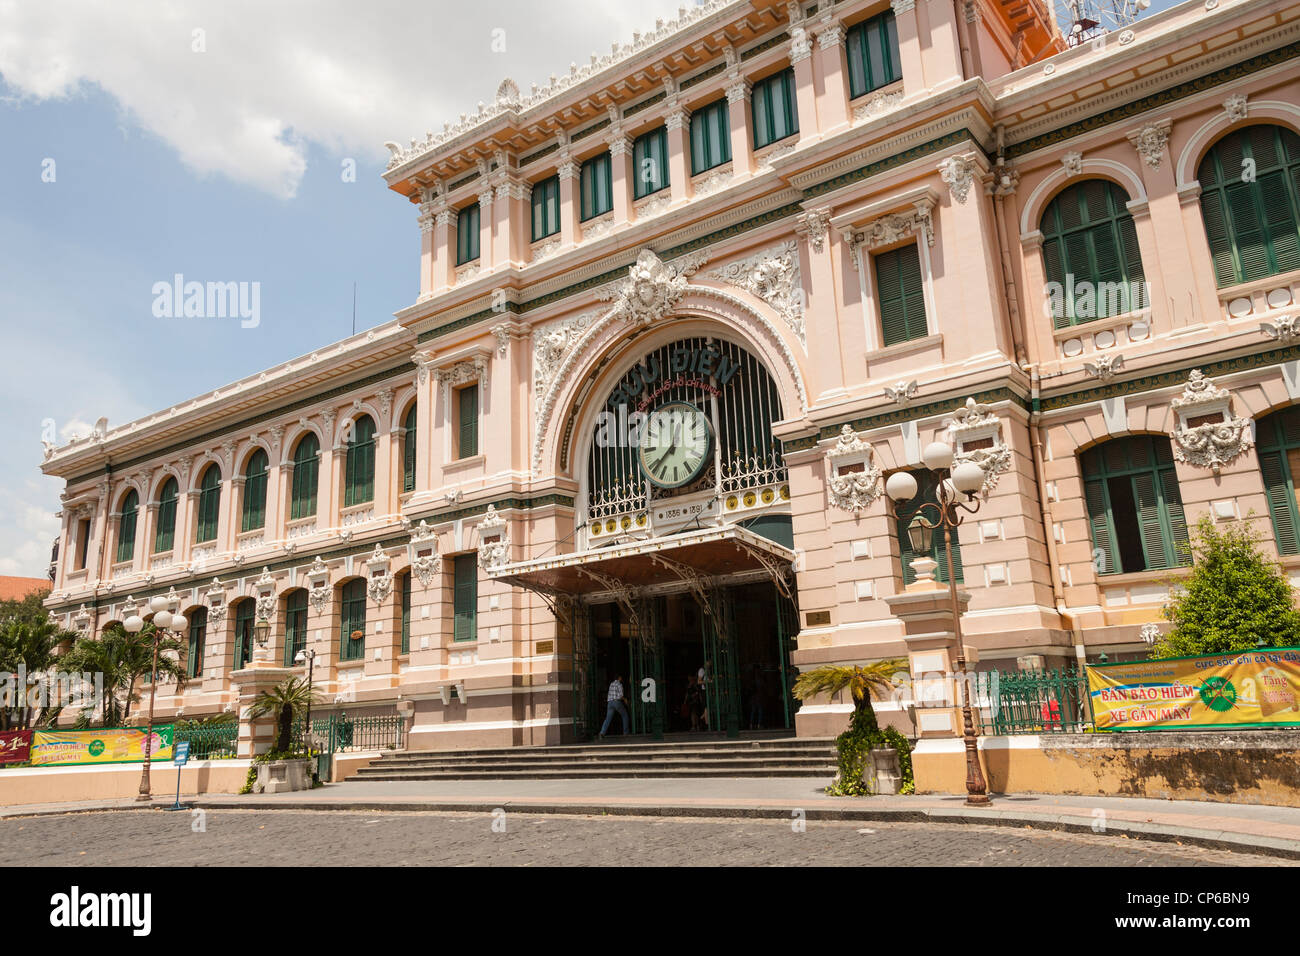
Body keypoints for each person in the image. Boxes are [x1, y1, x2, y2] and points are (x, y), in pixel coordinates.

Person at [599, 674, 631, 738]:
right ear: (619, 678)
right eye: (621, 677)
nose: (621, 678)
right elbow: (621, 696)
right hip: (617, 702)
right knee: (625, 715)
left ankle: (602, 732)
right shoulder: (619, 684)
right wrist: (625, 700)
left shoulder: (611, 684)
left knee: (608, 718)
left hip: (610, 703)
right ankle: (626, 733)